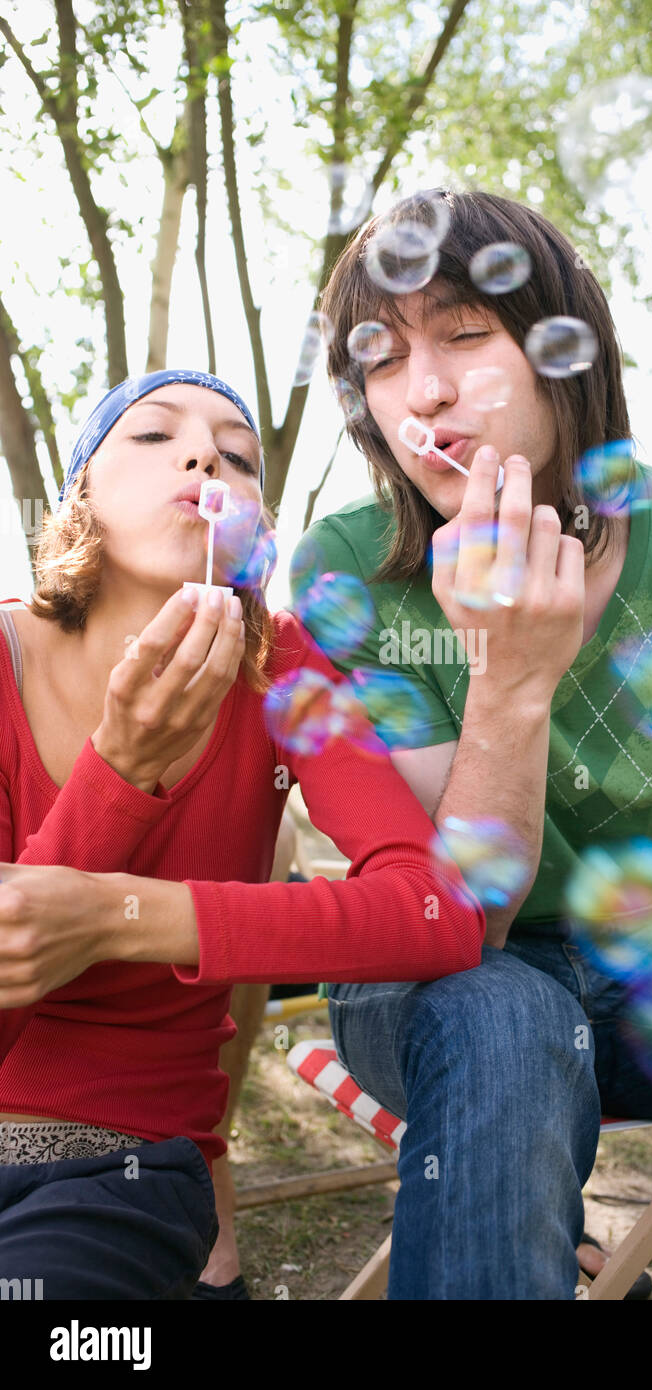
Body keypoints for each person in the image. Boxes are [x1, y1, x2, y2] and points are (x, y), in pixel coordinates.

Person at [278, 188, 652, 1300]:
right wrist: (507, 679)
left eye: (462, 333)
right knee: (505, 1015)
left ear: (566, 357)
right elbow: (463, 919)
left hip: (633, 964)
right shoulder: (345, 571)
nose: (428, 389)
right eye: (386, 359)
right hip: (420, 975)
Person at [0, 368, 484, 1300]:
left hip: (113, 1167)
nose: (204, 454)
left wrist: (115, 914)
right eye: (153, 436)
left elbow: (437, 913)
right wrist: (125, 766)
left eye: (238, 454)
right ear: (80, 497)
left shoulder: (282, 668)